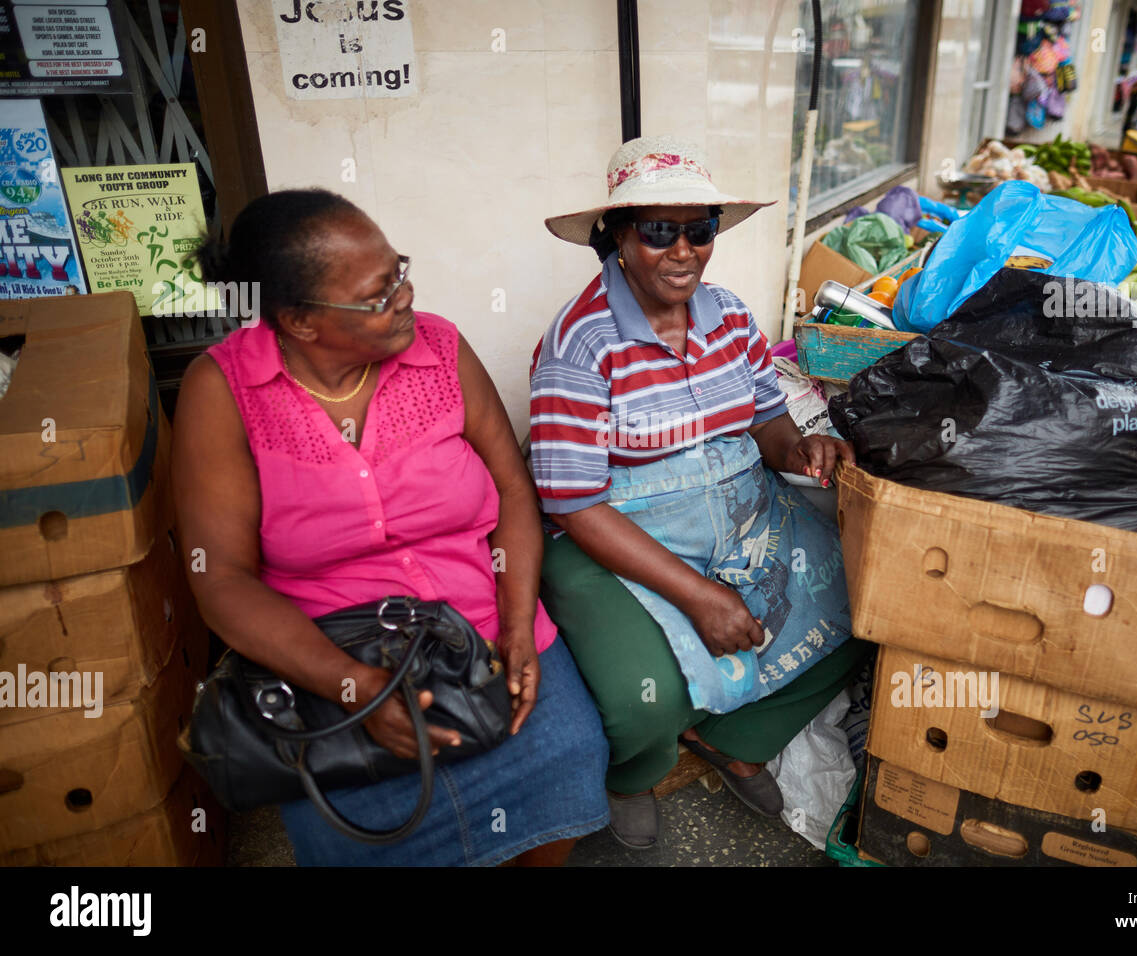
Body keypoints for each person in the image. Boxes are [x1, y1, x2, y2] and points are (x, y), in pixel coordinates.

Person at [172, 189, 609, 865]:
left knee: (567, 753)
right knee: (361, 822)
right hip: (329, 652)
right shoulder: (222, 391)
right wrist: (351, 686)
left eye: (399, 271)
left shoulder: (438, 347)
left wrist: (517, 625)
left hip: (485, 621)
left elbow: (512, 491)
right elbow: (220, 579)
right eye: (378, 295)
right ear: (299, 320)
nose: (405, 297)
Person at [529, 136, 874, 849]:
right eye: (658, 231)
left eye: (700, 228)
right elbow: (572, 502)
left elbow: (764, 417)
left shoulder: (731, 315)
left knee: (871, 602)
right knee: (640, 703)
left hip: (740, 512)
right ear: (618, 238)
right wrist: (699, 594)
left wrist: (797, 446)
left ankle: (734, 736)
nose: (682, 250)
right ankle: (639, 769)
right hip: (617, 537)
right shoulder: (580, 343)